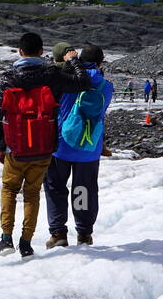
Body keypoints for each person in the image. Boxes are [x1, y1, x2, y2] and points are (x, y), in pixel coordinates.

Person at [0, 32, 91, 258]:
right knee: (32, 193)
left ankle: (6, 239)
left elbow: (0, 116)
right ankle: (26, 243)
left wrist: (1, 146)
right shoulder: (52, 75)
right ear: (40, 52)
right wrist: (72, 60)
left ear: (19, 51)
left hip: (14, 148)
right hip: (45, 147)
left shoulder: (8, 78)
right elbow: (83, 82)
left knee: (9, 190)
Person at [44, 45, 114, 248]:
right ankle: (84, 233)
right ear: (100, 62)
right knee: (83, 189)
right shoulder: (106, 86)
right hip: (89, 147)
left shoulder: (67, 78)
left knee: (55, 188)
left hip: (61, 144)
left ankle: (58, 233)